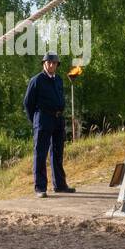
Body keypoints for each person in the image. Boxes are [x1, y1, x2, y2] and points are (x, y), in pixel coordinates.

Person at [24, 52, 76, 197]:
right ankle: (40, 188)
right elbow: (28, 103)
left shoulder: (59, 80)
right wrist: (35, 120)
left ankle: (59, 185)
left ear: (57, 65)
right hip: (43, 119)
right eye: (49, 62)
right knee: (40, 154)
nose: (51, 65)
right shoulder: (37, 80)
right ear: (44, 64)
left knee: (58, 153)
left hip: (58, 120)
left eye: (54, 63)